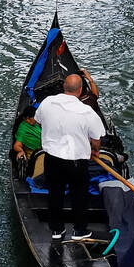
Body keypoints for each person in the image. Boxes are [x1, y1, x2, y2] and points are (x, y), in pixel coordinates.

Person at [34, 74, 105, 242]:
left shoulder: (47, 103)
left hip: (52, 159)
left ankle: (57, 230)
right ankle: (79, 231)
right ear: (80, 90)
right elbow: (96, 141)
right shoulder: (87, 112)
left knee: (55, 194)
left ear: (64, 87)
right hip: (76, 163)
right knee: (79, 196)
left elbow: (39, 122)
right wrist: (95, 152)